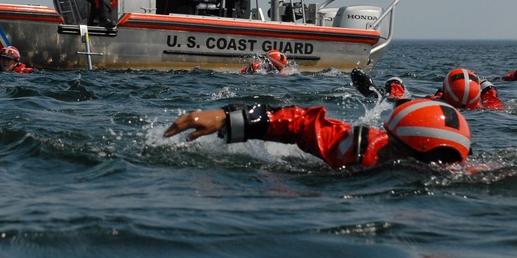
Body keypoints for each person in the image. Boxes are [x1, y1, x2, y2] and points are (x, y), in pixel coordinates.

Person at [164, 97, 471, 168]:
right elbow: (303, 124)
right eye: (388, 139)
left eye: (395, 147)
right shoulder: (361, 148)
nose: (384, 147)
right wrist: (229, 119)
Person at [352, 67, 503, 110]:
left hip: (435, 104)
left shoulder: (435, 102)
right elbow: (489, 88)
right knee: (490, 91)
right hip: (477, 109)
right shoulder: (491, 107)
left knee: (394, 91)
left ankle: (377, 94)